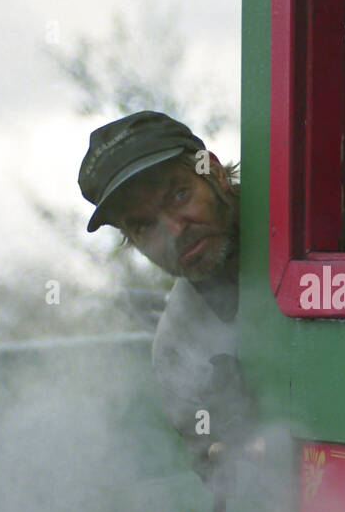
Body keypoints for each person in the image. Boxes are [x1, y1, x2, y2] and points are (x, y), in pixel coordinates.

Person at [78, 110, 254, 479]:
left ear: (215, 173)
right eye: (144, 225)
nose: (174, 230)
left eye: (179, 194)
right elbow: (234, 490)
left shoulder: (316, 217)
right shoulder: (179, 349)